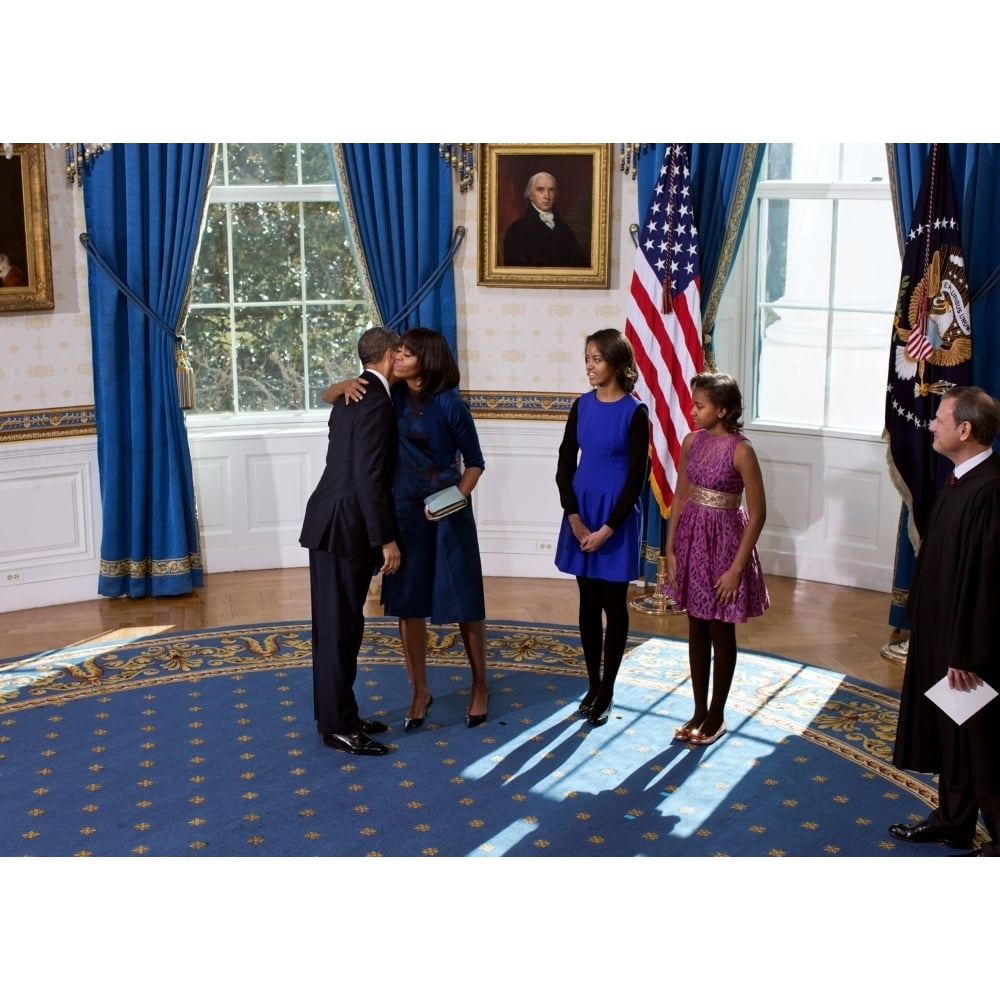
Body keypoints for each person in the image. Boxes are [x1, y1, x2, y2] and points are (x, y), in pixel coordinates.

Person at [328, 327, 490, 730]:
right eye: (396, 352)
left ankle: (480, 685)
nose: (396, 358)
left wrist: (455, 499)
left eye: (405, 353)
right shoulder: (390, 395)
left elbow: (474, 462)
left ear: (427, 359)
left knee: (465, 604)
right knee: (408, 604)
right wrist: (342, 385)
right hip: (402, 514)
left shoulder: (451, 405)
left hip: (448, 515)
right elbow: (331, 396)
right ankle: (419, 690)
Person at [889, 385, 1000, 856]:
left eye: (940, 418)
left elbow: (989, 583)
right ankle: (954, 821)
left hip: (968, 648)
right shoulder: (960, 478)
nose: (931, 424)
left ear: (965, 429)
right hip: (941, 633)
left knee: (983, 746)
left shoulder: (991, 490)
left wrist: (965, 652)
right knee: (952, 736)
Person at [299, 326, 402, 756]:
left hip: (330, 520)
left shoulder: (351, 393)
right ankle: (338, 726)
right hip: (344, 526)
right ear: (393, 356)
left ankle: (343, 713)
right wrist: (387, 540)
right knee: (339, 629)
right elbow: (368, 477)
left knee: (341, 627)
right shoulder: (375, 401)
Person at [662, 372, 769, 746]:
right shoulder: (692, 442)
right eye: (693, 404)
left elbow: (757, 513)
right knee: (695, 628)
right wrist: (670, 551)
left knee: (720, 630)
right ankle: (697, 709)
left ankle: (717, 713)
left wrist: (737, 569)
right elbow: (680, 497)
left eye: (700, 405)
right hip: (692, 541)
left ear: (722, 409)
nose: (692, 411)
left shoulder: (742, 450)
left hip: (725, 547)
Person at [554, 328, 649, 726]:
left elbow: (636, 478)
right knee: (587, 604)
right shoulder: (581, 406)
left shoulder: (635, 412)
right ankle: (592, 683)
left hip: (616, 518)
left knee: (614, 604)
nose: (589, 366)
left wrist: (609, 528)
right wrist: (574, 517)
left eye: (596, 359)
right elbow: (564, 463)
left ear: (616, 362)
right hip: (581, 513)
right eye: (587, 358)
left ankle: (608, 690)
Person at [503, 171, 589, 268]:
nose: (547, 196)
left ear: (556, 194)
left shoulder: (564, 228)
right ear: (530, 195)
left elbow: (581, 263)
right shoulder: (517, 229)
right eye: (540, 190)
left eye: (551, 190)